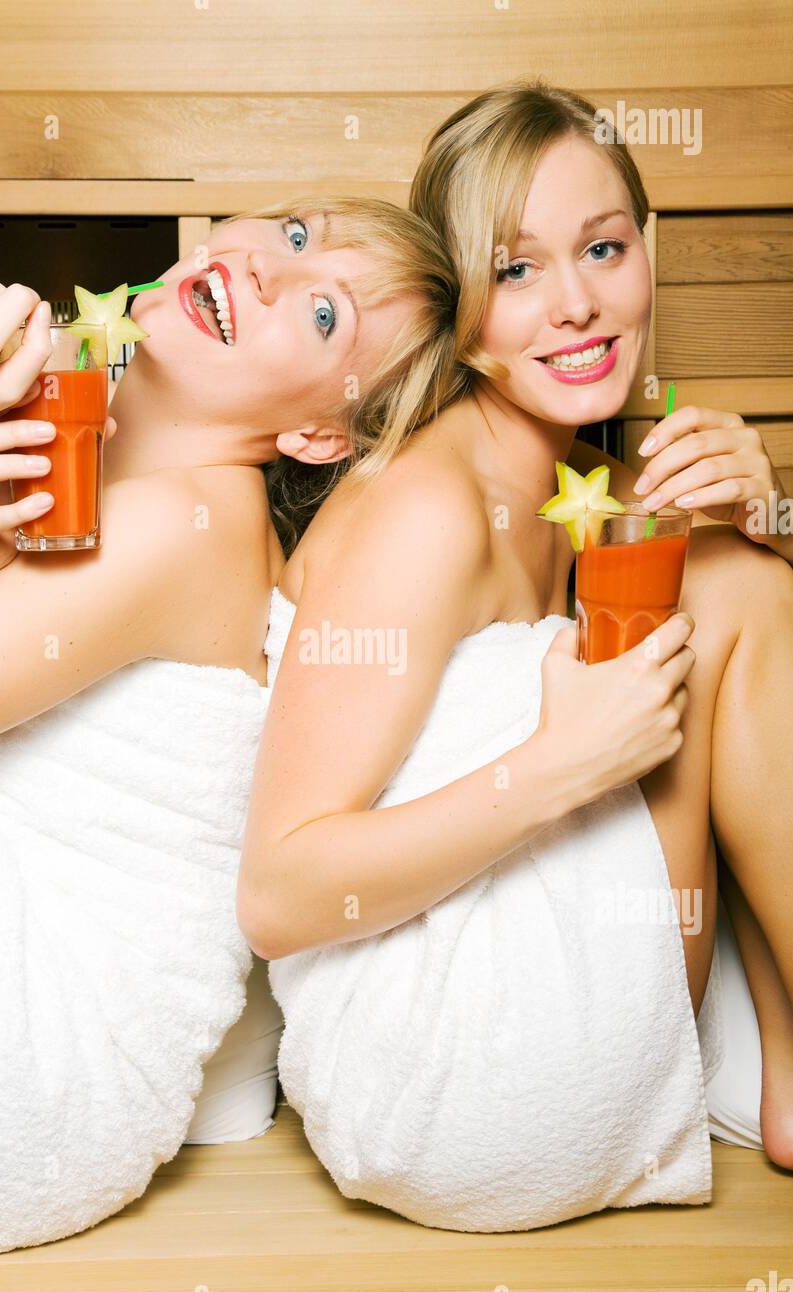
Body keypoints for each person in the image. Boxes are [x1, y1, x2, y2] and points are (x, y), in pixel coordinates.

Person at [236, 89, 793, 1234]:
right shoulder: (421, 512)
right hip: (447, 1077)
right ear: (457, 306)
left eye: (602, 249)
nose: (577, 303)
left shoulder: (590, 486)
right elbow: (277, 892)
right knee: (732, 593)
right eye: (516, 270)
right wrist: (558, 765)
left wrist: (772, 507)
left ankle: (782, 1056)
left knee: (735, 569)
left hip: (544, 1041)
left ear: (647, 253)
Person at [0, 198, 460, 1256]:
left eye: (322, 317)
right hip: (23, 1084)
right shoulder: (90, 475)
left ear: (313, 432)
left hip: (24, 1069)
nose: (272, 273)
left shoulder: (193, 525)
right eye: (296, 234)